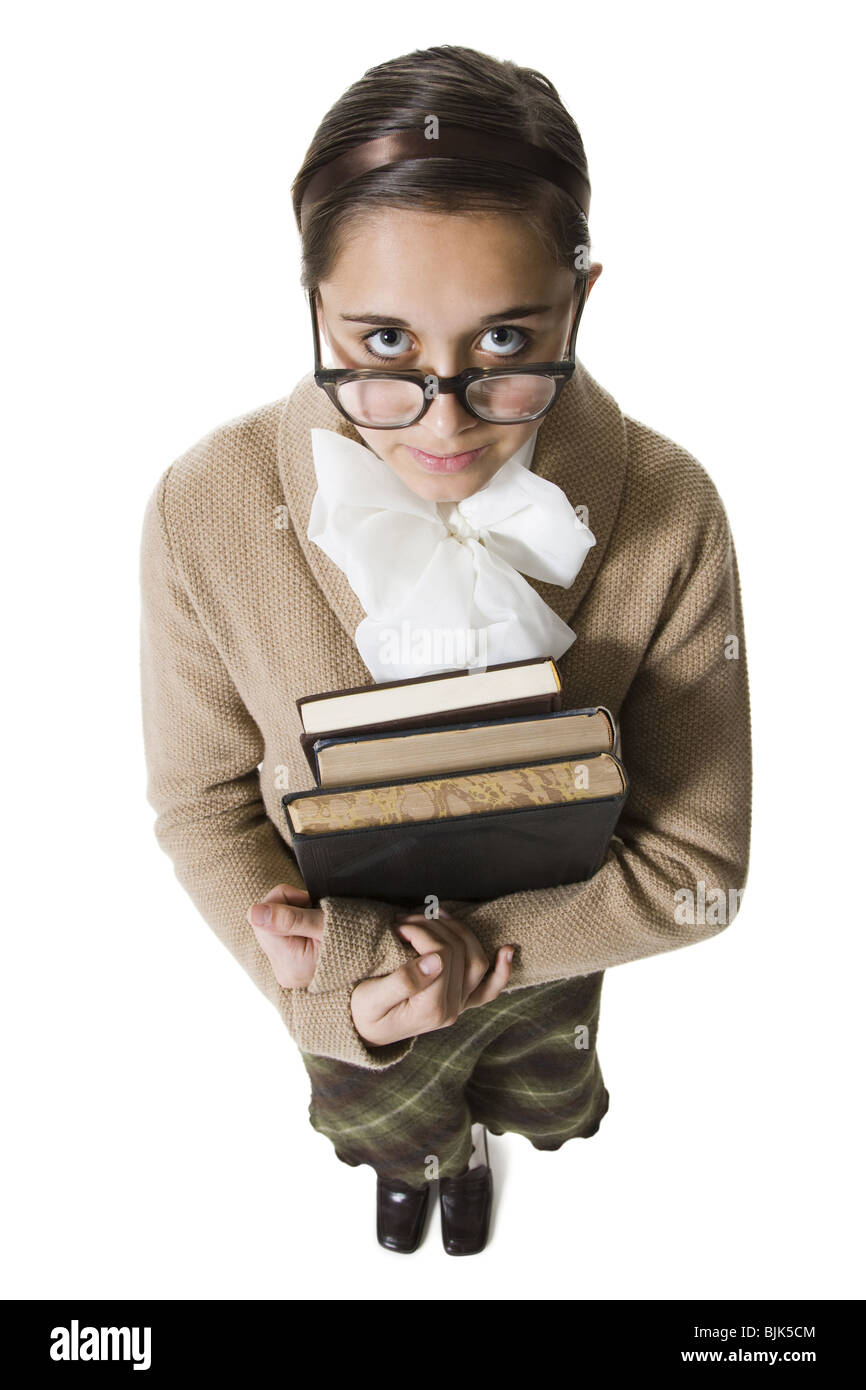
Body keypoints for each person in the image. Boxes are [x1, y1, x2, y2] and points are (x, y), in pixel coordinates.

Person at [139, 44, 752, 1257]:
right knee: (388, 1121)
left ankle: (479, 1147)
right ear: (311, 299)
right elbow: (200, 802)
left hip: (552, 959)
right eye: (380, 347)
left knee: (527, 1087)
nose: (444, 418)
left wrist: (482, 956)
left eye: (507, 345)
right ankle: (418, 1161)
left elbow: (700, 866)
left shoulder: (671, 509)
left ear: (578, 300)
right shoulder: (202, 505)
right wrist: (343, 988)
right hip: (337, 982)